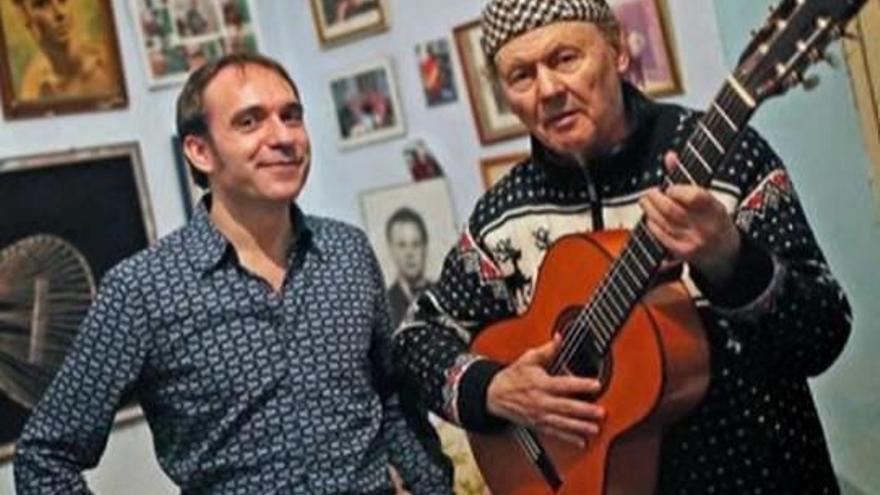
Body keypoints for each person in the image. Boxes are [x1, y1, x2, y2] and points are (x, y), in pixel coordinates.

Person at [391, 0, 852, 493]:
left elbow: (824, 333)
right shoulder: (501, 217)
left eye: (565, 58)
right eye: (521, 76)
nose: (548, 90)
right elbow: (413, 340)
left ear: (618, 53)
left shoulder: (728, 161)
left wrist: (730, 260)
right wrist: (494, 389)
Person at [14, 52, 452, 494]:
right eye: (250, 122)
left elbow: (393, 397)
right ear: (200, 150)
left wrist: (432, 486)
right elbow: (45, 456)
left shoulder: (347, 252)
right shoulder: (143, 290)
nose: (282, 137)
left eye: (291, 116)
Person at [11, 0, 120, 100]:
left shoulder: (109, 64)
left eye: (63, 0)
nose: (60, 13)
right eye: (42, 4)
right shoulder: (34, 86)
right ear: (24, 16)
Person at [385, 207, 432, 329]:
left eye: (415, 244)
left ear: (425, 248)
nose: (409, 253)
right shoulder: (384, 307)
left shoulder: (444, 295)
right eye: (402, 245)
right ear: (391, 250)